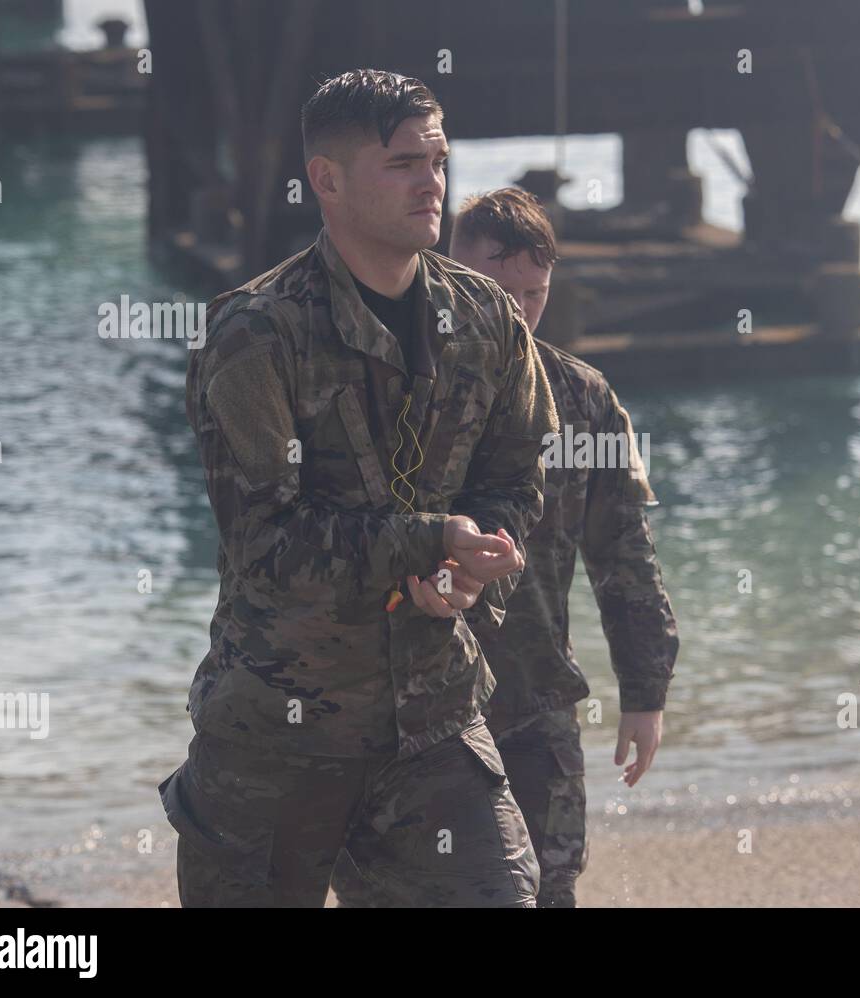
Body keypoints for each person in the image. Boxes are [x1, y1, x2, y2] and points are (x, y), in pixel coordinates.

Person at [157, 71, 559, 908]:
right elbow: (268, 546)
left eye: (440, 161)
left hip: (434, 721)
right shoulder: (255, 335)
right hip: (277, 739)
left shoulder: (486, 319)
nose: (431, 183)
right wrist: (428, 539)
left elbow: (518, 471)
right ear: (326, 181)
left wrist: (473, 563)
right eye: (402, 163)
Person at [332, 187, 679, 908]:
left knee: (546, 889)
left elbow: (624, 557)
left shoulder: (583, 400)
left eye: (535, 293)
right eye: (500, 290)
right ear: (448, 273)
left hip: (533, 699)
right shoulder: (398, 387)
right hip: (407, 709)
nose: (518, 311)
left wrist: (645, 693)